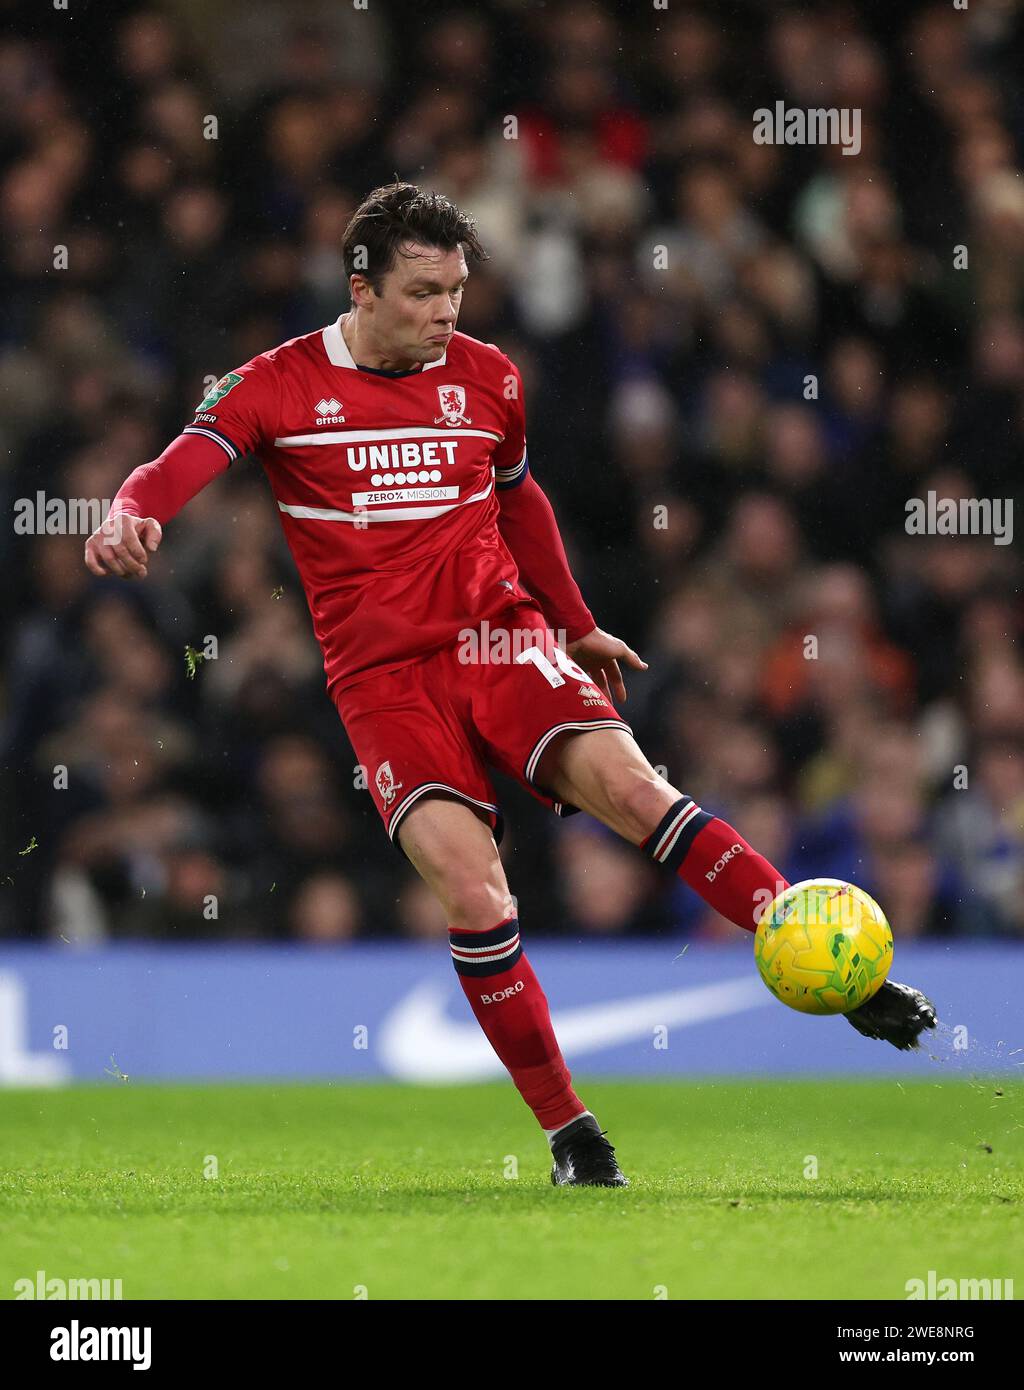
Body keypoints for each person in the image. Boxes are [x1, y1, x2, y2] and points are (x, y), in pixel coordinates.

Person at [85, 183, 937, 1186]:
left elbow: (518, 497)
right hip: (383, 680)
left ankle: (835, 971)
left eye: (455, 289)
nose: (445, 311)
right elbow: (174, 463)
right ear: (359, 287)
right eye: (420, 292)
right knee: (474, 885)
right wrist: (127, 511)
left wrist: (575, 623)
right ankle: (572, 1133)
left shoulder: (487, 378)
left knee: (635, 791)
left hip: (500, 638)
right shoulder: (275, 384)